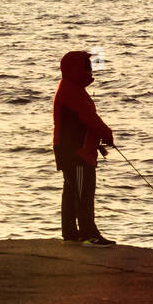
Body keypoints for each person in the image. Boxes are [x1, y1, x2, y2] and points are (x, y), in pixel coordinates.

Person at [53, 51, 116, 246]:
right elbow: (89, 118)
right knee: (83, 195)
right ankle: (90, 234)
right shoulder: (71, 91)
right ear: (76, 69)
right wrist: (107, 134)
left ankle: (71, 234)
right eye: (87, 66)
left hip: (72, 150)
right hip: (76, 153)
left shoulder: (71, 88)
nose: (90, 69)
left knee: (73, 192)